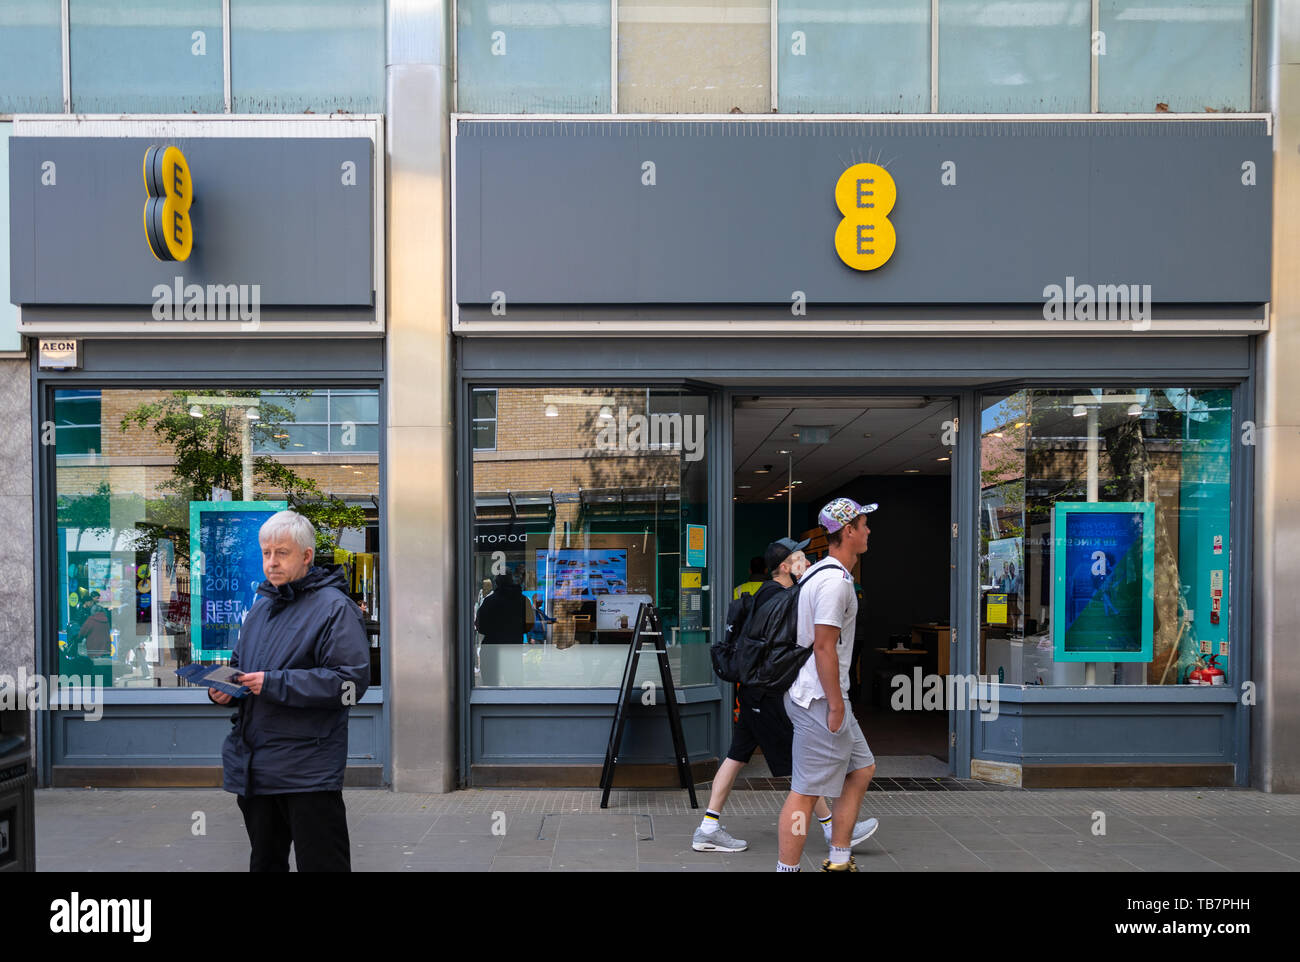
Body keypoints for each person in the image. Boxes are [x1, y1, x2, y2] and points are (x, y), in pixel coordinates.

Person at [209, 510, 369, 872]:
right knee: (264, 863)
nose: (271, 562)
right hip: (255, 764)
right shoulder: (262, 606)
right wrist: (222, 688)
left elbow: (350, 684)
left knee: (322, 864)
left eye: (281, 553)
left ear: (306, 556)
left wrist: (274, 683)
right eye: (266, 553)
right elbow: (240, 664)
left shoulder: (335, 609)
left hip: (307, 770)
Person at [695, 536, 878, 854]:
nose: (807, 563)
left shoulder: (766, 593)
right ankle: (830, 830)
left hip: (754, 691)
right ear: (784, 566)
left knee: (737, 756)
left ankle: (708, 827)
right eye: (800, 559)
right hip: (767, 694)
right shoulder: (779, 597)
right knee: (802, 767)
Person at [777, 498, 879, 872]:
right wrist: (837, 705)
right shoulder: (834, 583)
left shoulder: (821, 573)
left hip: (821, 697)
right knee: (805, 794)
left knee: (861, 769)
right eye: (864, 524)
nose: (868, 530)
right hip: (820, 700)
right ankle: (787, 869)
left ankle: (839, 858)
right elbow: (823, 646)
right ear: (848, 530)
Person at [474, 573, 534, 644]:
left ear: (497, 583)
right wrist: (516, 631)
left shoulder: (489, 601)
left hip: (493, 645)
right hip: (514, 644)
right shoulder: (524, 600)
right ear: (511, 581)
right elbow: (529, 624)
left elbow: (480, 625)